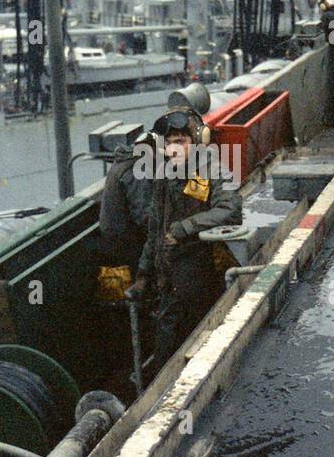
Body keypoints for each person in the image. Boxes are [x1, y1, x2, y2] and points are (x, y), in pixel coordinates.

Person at [127, 107, 242, 370]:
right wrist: (144, 275)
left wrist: (186, 227)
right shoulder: (166, 176)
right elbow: (156, 229)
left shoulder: (211, 169)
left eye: (180, 141)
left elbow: (231, 209)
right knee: (168, 349)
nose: (173, 149)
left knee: (194, 345)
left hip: (201, 275)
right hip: (169, 279)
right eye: (168, 143)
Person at [98, 131, 154, 271]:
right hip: (126, 244)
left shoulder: (126, 160)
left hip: (117, 238)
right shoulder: (138, 169)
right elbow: (144, 217)